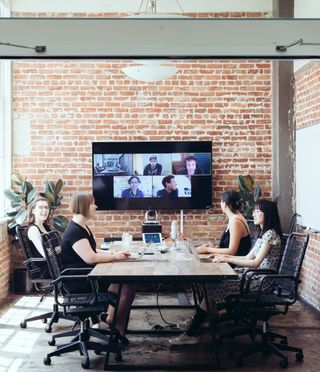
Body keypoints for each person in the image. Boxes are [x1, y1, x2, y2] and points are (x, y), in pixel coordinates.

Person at [170, 199, 282, 345]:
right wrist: (224, 257)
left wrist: (228, 258)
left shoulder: (270, 235)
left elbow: (255, 263)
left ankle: (193, 331)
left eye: (257, 211)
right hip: (251, 277)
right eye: (254, 211)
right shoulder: (263, 234)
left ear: (267, 215)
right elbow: (248, 257)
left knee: (211, 287)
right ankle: (200, 322)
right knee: (210, 285)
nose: (253, 214)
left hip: (259, 282)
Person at [61, 193, 136, 342]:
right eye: (92, 204)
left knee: (124, 282)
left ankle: (113, 321)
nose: (95, 207)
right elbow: (91, 258)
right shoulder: (75, 231)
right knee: (127, 283)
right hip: (81, 280)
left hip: (86, 275)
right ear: (84, 207)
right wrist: (115, 257)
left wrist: (113, 253)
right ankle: (112, 323)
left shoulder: (81, 227)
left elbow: (92, 250)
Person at [196, 190, 251, 257]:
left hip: (233, 263)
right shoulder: (234, 217)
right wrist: (215, 248)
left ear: (224, 204)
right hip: (227, 258)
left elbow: (232, 251)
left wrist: (207, 249)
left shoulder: (236, 222)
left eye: (221, 202)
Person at [26, 196, 52, 279]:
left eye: (46, 207)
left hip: (54, 264)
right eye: (40, 207)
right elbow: (46, 254)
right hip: (47, 268)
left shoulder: (46, 227)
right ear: (33, 210)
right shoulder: (33, 230)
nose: (44, 210)